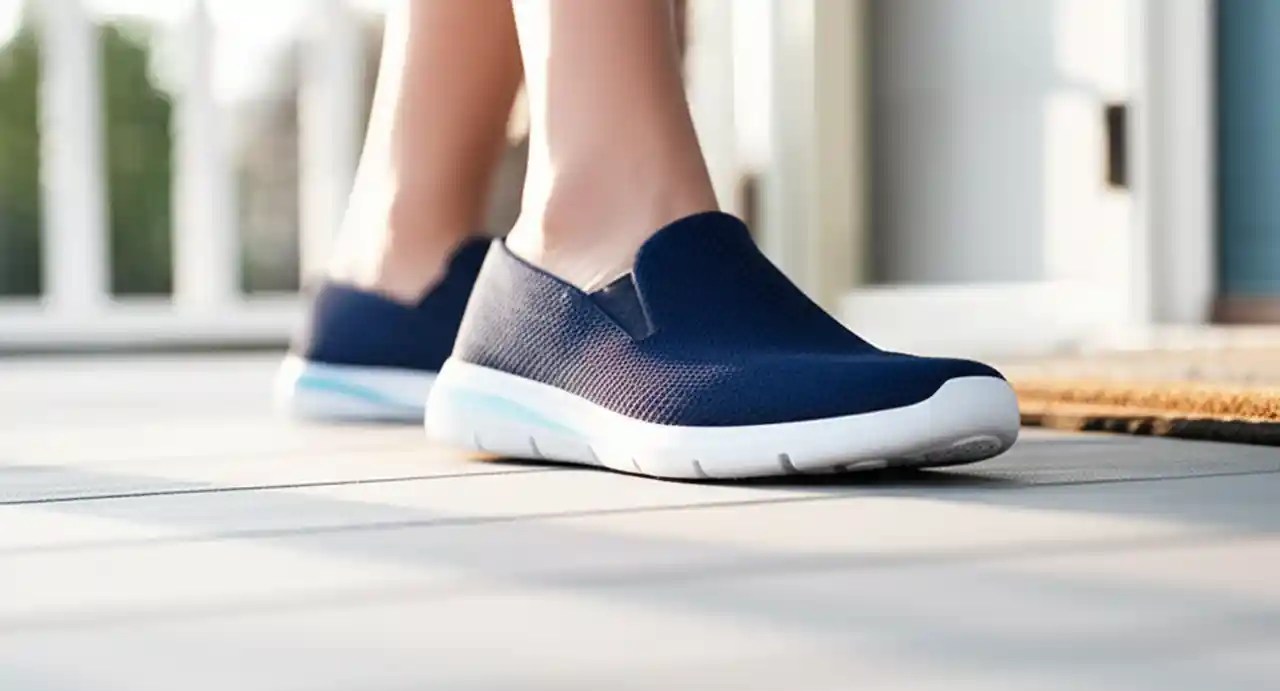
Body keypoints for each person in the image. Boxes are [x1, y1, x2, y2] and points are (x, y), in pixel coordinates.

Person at [276, 0, 1020, 479]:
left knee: (412, 234)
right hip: (591, 273)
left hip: (424, 275)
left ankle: (404, 248)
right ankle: (602, 212)